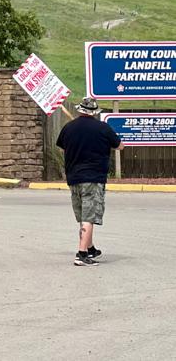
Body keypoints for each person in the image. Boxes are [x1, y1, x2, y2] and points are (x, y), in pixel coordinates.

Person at [56, 97, 123, 267]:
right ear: (94, 112)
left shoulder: (68, 128)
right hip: (93, 178)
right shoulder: (102, 128)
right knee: (89, 216)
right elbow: (120, 146)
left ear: (80, 110)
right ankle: (82, 254)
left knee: (84, 216)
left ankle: (90, 248)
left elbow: (62, 147)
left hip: (73, 178)